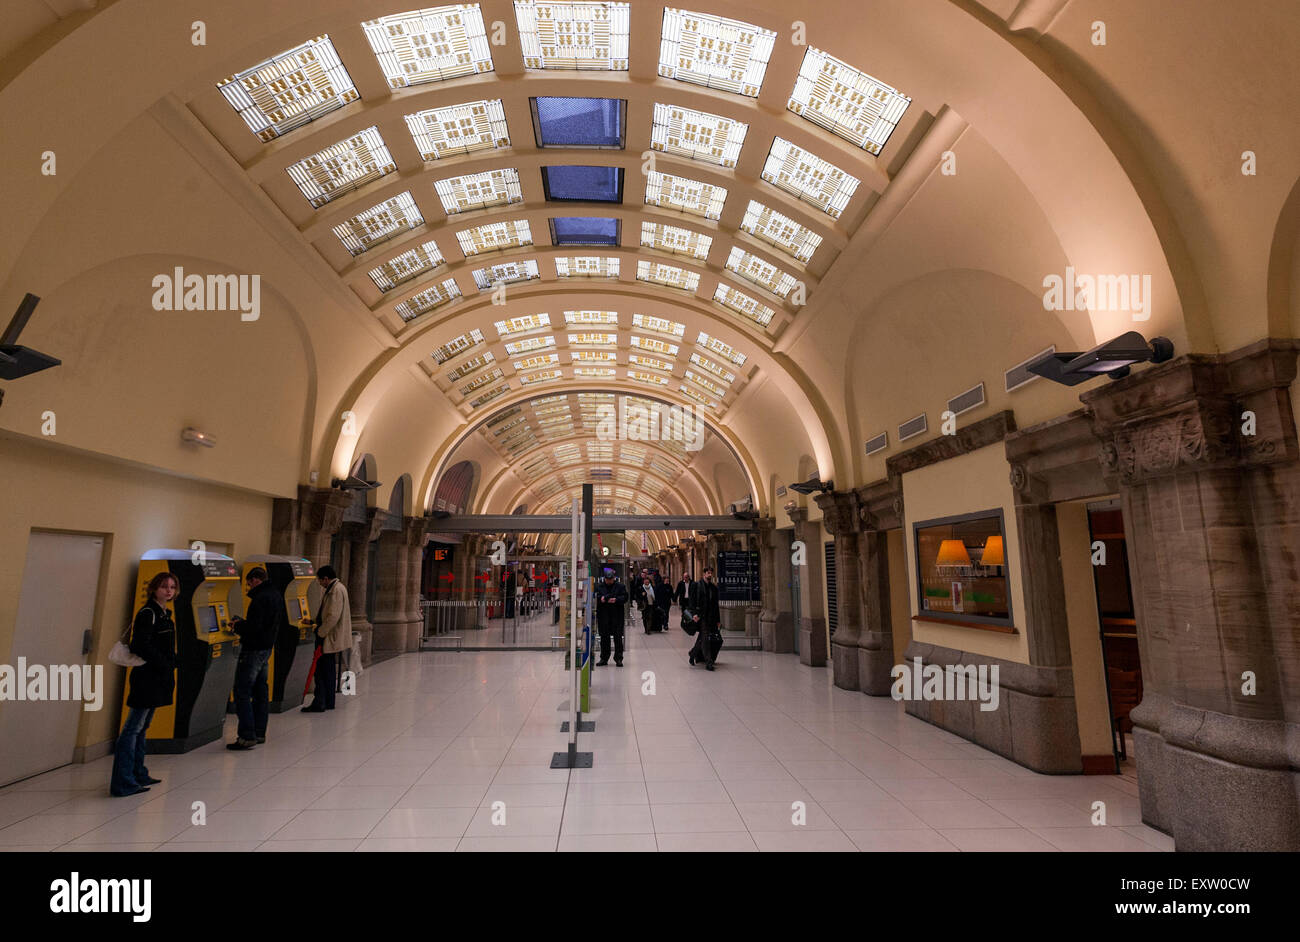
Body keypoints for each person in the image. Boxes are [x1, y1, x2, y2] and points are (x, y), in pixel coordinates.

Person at [110, 571, 178, 796]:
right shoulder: (148, 613)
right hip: (147, 677)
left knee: (142, 727)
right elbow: (141, 644)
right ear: (154, 589)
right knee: (132, 729)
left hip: (157, 676)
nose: (168, 591)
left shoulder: (165, 614)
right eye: (164, 586)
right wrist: (164, 663)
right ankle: (123, 780)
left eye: (172, 587)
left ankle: (138, 772)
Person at [226, 567, 286, 749]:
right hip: (267, 647)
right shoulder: (275, 594)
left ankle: (246, 735)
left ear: (256, 580)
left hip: (253, 649)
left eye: (249, 582)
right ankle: (259, 732)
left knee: (242, 691)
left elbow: (255, 626)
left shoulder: (260, 598)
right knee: (261, 691)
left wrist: (238, 626)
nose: (248, 587)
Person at [303, 565, 351, 713]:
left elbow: (332, 616)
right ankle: (328, 701)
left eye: (320, 580)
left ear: (326, 578)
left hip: (329, 637)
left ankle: (320, 702)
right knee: (328, 670)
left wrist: (321, 632)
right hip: (331, 635)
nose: (320, 584)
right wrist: (313, 622)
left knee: (322, 671)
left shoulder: (335, 590)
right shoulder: (337, 588)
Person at [688, 568, 722, 671]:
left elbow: (716, 605)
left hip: (711, 617)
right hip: (701, 617)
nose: (710, 575)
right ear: (704, 574)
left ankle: (692, 654)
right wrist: (693, 614)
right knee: (705, 639)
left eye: (711, 573)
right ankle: (708, 662)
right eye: (708, 573)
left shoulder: (713, 588)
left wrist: (718, 620)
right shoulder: (696, 585)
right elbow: (692, 601)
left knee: (702, 638)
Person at [594, 568, 628, 667]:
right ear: (604, 578)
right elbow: (595, 597)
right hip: (603, 616)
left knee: (618, 638)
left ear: (614, 578)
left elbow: (625, 597)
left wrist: (616, 600)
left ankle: (618, 658)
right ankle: (604, 658)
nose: (609, 581)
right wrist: (602, 599)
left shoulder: (620, 586)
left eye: (611, 579)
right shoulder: (599, 587)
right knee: (604, 638)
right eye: (607, 579)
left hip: (617, 616)